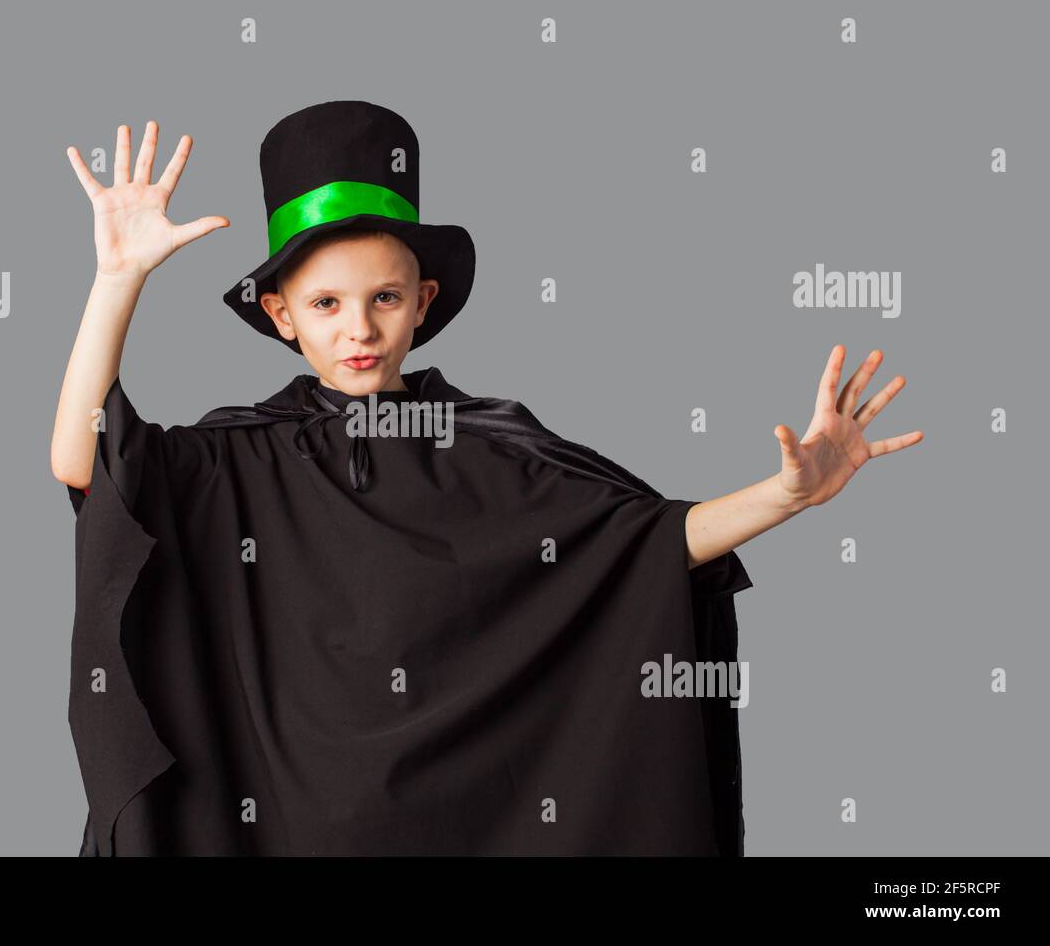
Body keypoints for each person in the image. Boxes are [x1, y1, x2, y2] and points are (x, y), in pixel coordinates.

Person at [51, 101, 922, 856]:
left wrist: (788, 496)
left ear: (423, 302)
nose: (359, 329)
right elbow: (86, 461)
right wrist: (116, 281)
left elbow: (643, 548)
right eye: (325, 304)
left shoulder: (496, 448)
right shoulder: (229, 462)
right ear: (281, 315)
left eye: (384, 298)